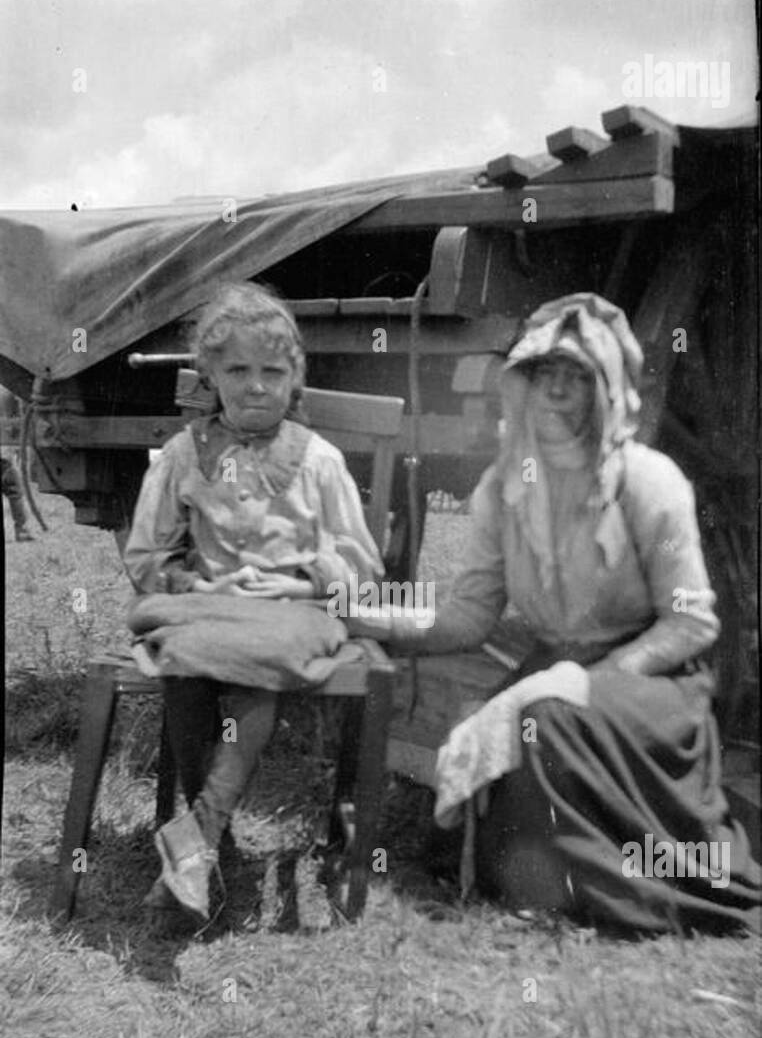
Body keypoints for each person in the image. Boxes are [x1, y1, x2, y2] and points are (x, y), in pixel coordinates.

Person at [349, 293, 760, 933]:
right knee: (508, 732)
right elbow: (467, 619)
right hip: (557, 668)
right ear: (522, 388)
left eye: (578, 379)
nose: (559, 394)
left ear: (609, 391)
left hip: (653, 678)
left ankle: (627, 893)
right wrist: (367, 617)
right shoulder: (503, 489)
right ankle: (541, 887)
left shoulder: (650, 481)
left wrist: (589, 678)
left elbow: (692, 623)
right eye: (546, 377)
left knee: (543, 721)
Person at [123, 283, 383, 922]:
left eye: (272, 371)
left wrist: (302, 583)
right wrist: (194, 585)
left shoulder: (318, 461)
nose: (255, 385)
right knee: (184, 657)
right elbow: (146, 556)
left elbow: (360, 561)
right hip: (208, 609)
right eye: (237, 370)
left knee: (261, 657)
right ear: (209, 375)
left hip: (291, 610)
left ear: (295, 379)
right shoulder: (185, 455)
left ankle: (200, 834)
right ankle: (208, 845)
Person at [1, 386, 34, 541]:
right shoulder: (7, 390)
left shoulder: (7, 392)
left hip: (5, 452)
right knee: (15, 491)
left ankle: (22, 529)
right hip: (4, 453)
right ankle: (22, 529)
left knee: (15, 490)